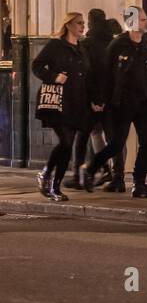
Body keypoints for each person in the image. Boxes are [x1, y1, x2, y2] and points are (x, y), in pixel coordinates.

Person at [84, 6, 147, 198]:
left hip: (143, 103)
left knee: (146, 143)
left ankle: (139, 183)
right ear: (133, 22)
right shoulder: (117, 45)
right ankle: (104, 173)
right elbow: (106, 76)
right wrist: (102, 100)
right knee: (117, 143)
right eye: (143, 20)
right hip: (121, 104)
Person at [31, 12, 92, 202]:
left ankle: (51, 180)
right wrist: (54, 77)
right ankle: (50, 180)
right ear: (69, 25)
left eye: (84, 23)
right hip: (58, 102)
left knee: (67, 146)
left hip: (77, 102)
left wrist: (94, 99)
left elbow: (87, 76)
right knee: (66, 142)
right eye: (79, 23)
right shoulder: (56, 45)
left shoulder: (82, 48)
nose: (83, 27)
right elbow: (37, 65)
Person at [70, 9, 114, 189]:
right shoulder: (113, 41)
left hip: (93, 97)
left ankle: (80, 175)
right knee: (106, 135)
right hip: (110, 96)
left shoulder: (87, 44)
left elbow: (89, 72)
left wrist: (94, 99)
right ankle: (111, 171)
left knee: (82, 136)